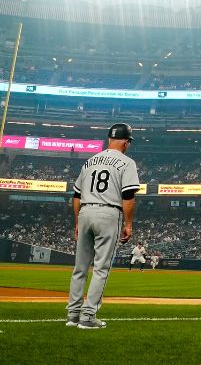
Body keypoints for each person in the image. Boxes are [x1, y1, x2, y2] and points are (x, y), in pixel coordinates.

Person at [66, 123, 142, 330]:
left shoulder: (90, 161)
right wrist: (128, 224)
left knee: (80, 267)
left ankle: (73, 315)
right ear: (126, 142)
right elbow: (128, 196)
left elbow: (76, 195)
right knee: (101, 268)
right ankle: (88, 316)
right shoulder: (127, 162)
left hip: (85, 212)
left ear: (109, 139)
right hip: (108, 213)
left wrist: (77, 222)